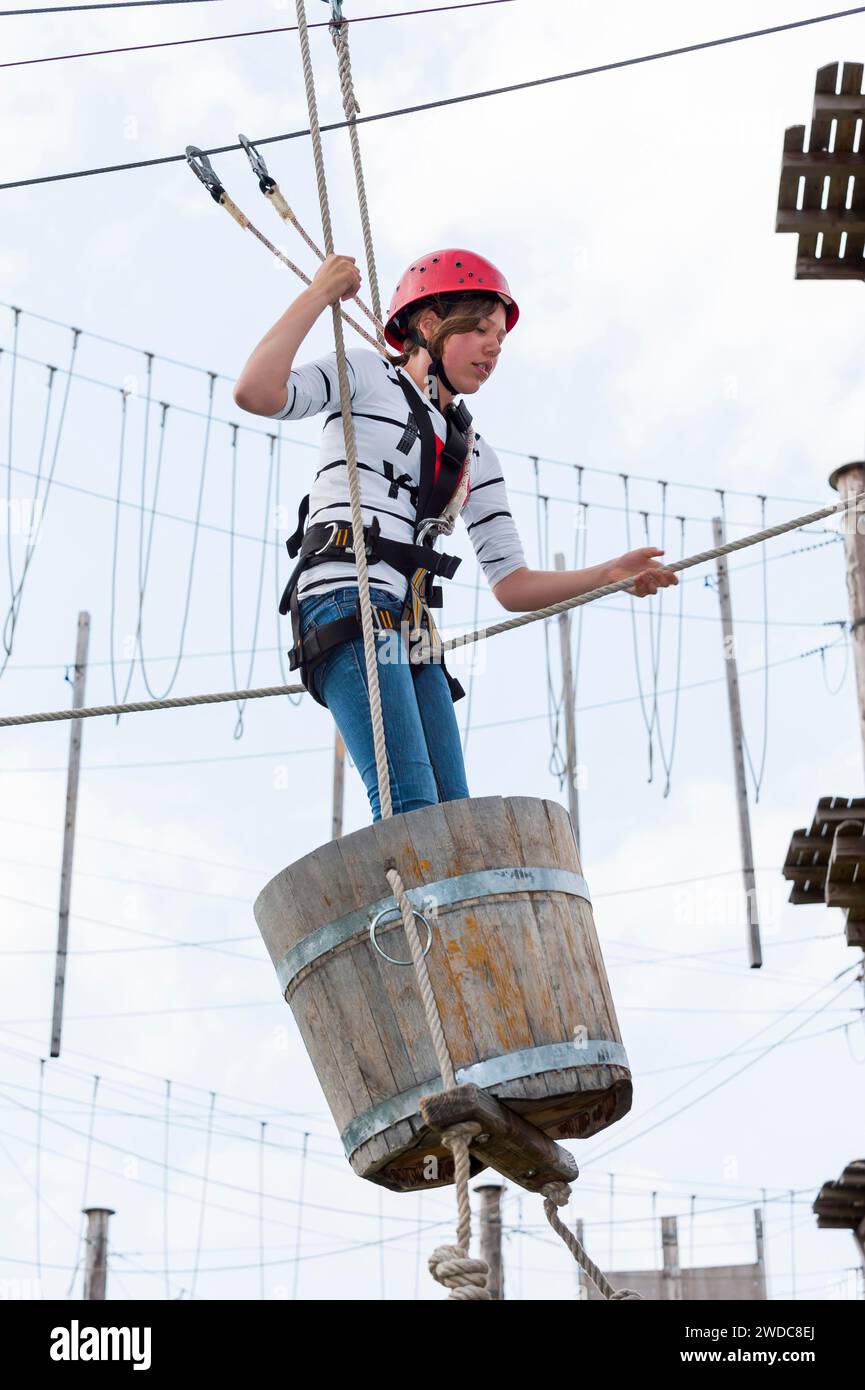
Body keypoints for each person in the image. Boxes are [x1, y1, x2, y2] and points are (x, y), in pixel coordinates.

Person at [234, 248, 677, 822]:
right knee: (411, 802)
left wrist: (608, 577)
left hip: (413, 624)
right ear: (429, 326)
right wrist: (320, 293)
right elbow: (256, 393)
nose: (495, 347)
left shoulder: (474, 451)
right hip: (346, 598)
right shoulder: (365, 375)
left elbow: (512, 585)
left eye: (501, 337)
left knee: (453, 813)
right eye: (482, 330)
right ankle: (407, 908)